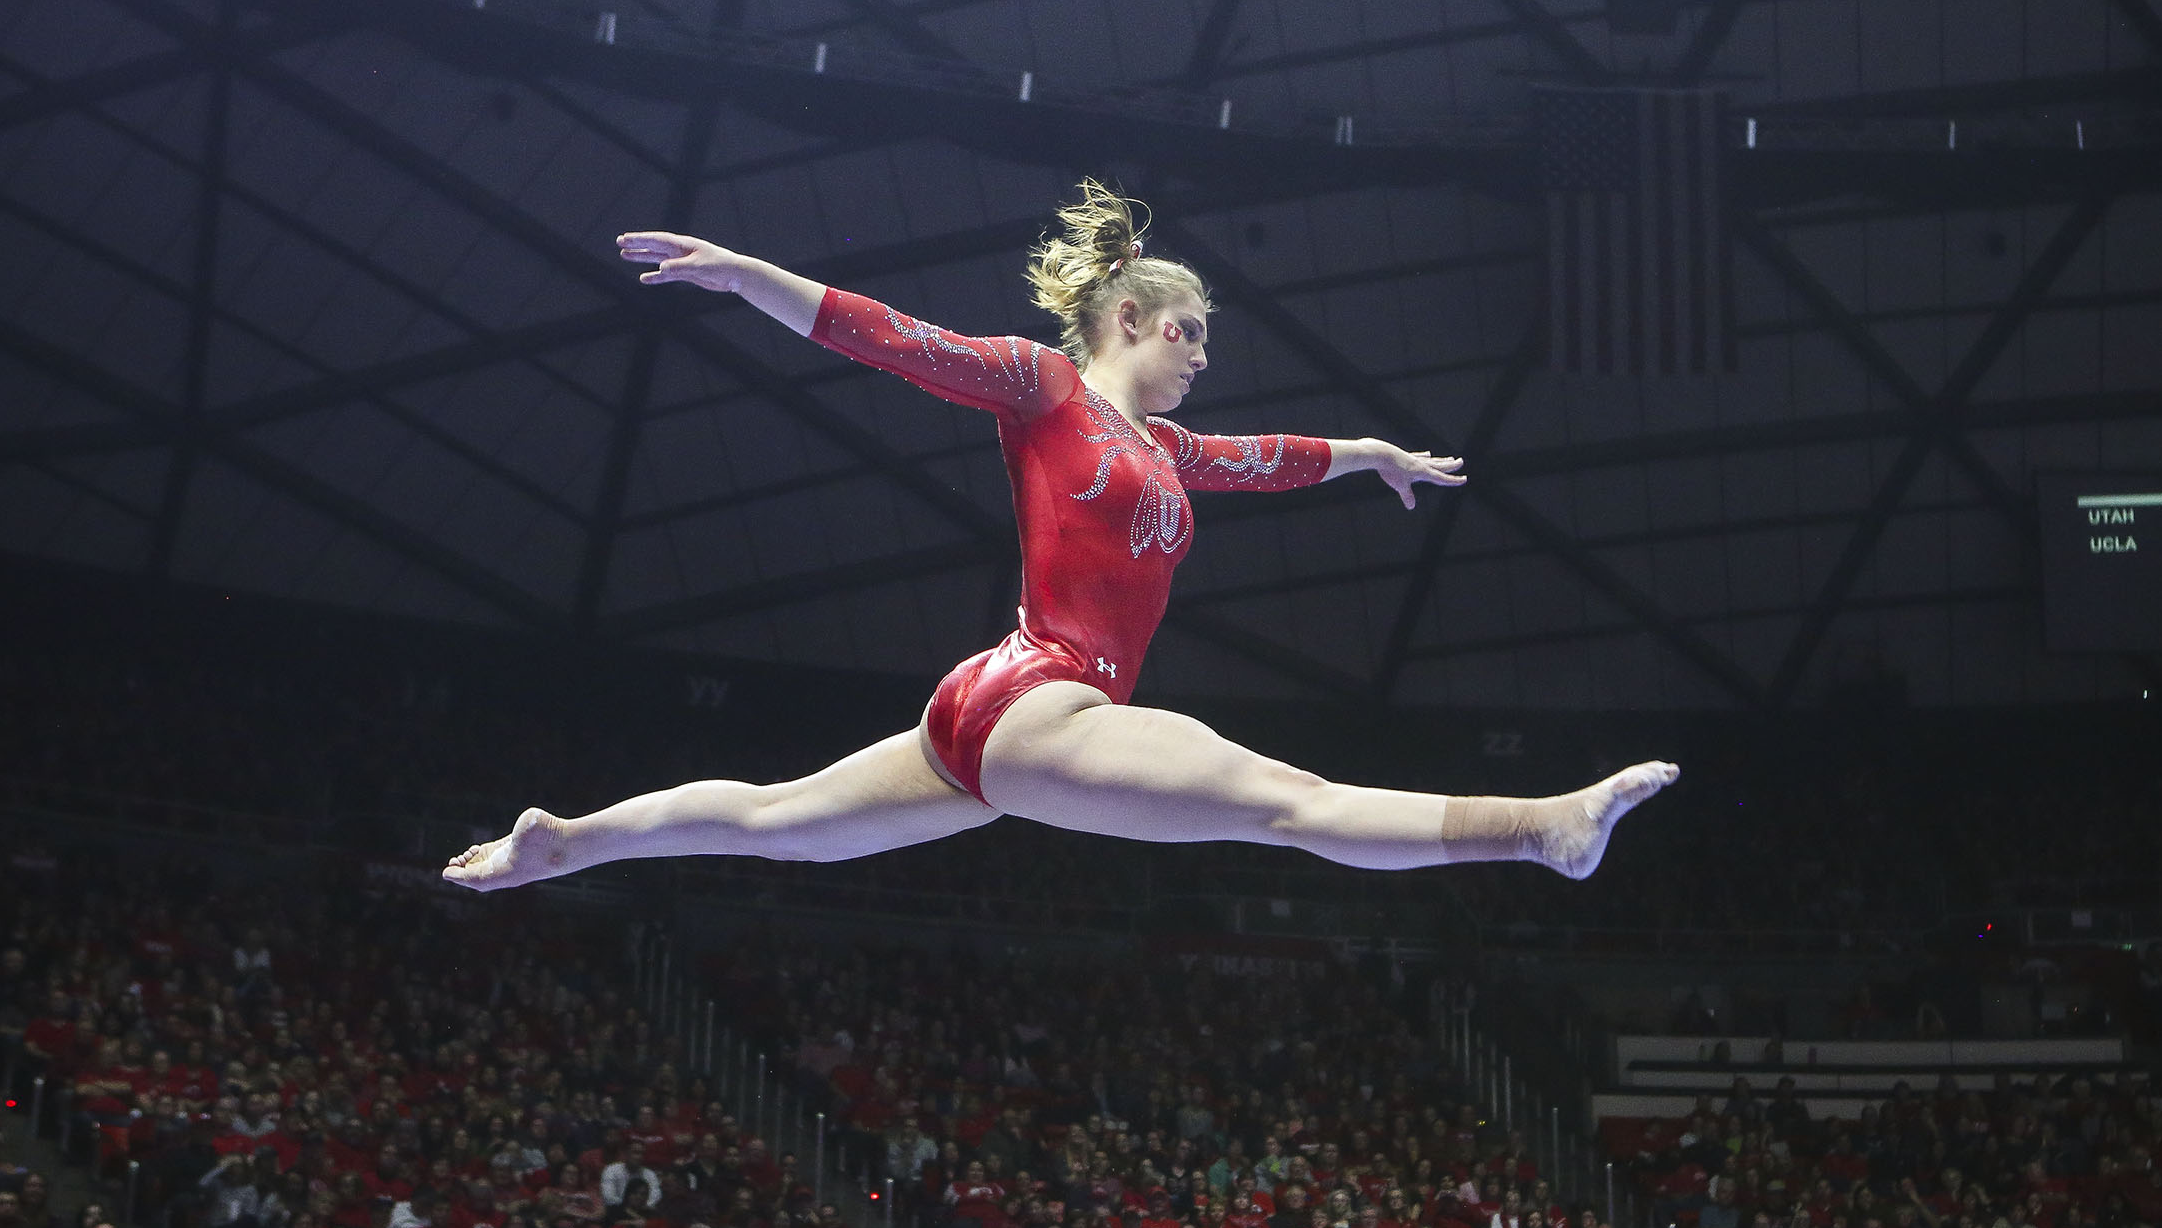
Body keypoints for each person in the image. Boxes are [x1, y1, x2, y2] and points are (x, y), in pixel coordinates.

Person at [445, 183, 1676, 894]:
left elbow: (1268, 457)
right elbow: (896, 336)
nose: (1203, 360)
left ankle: (564, 844)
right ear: (1132, 317)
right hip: (1049, 700)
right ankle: (1539, 825)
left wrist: (1370, 456)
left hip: (993, 715)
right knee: (1289, 803)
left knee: (779, 824)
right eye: (1191, 335)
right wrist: (751, 274)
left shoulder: (1172, 452)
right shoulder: (1043, 385)